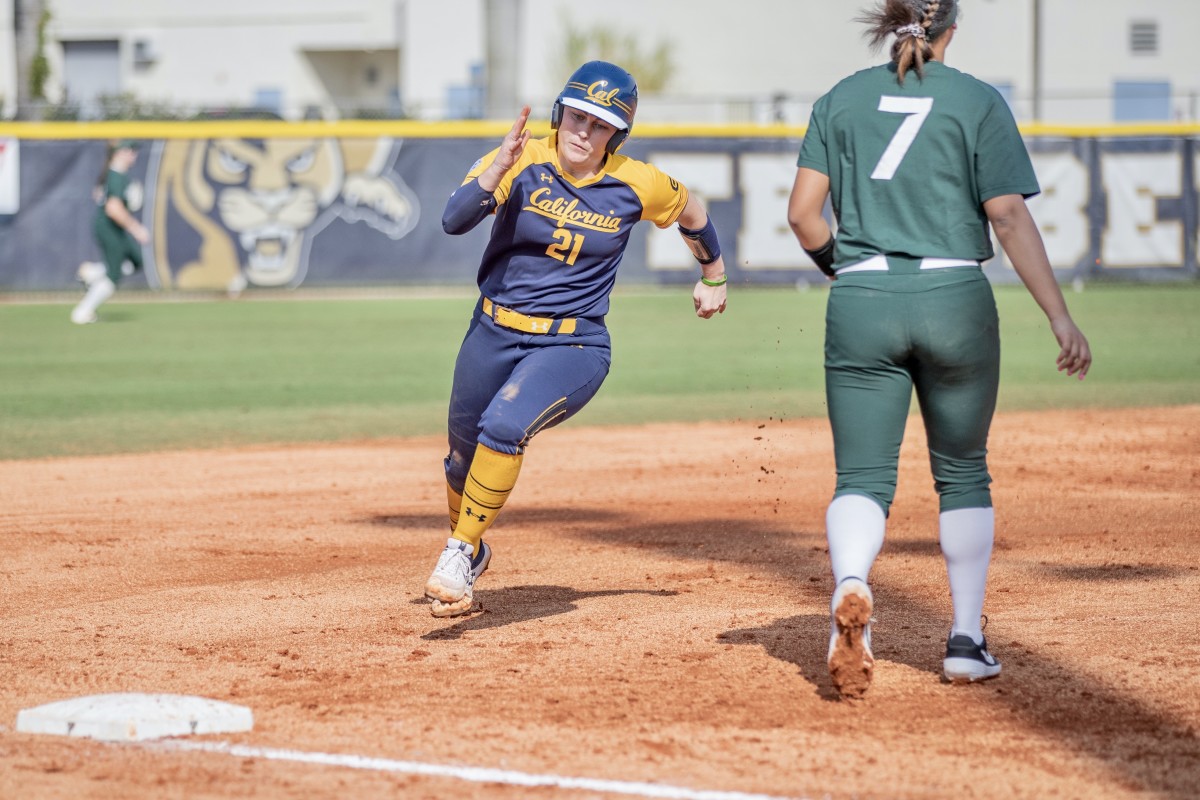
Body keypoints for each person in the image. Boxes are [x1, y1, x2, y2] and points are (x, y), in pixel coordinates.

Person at [786, 0, 1091, 699]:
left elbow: (803, 216)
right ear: (952, 27)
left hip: (862, 299)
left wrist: (852, 273)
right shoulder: (977, 100)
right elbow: (1008, 216)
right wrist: (1059, 316)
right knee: (962, 472)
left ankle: (855, 582)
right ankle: (962, 641)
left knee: (862, 476)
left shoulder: (840, 99)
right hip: (955, 296)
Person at [423, 61, 729, 618]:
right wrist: (497, 168)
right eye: (579, 117)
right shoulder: (522, 159)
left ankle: (457, 551)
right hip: (491, 330)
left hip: (573, 345)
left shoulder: (638, 182)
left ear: (618, 134)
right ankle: (474, 550)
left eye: (602, 124)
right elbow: (453, 220)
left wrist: (715, 274)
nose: (585, 132)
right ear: (561, 113)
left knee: (504, 427)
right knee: (459, 463)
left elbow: (693, 212)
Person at [72, 139, 149, 324]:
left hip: (113, 228)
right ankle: (82, 312)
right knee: (113, 275)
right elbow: (113, 209)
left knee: (136, 261)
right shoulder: (115, 175)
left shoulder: (117, 174)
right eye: (131, 150)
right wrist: (136, 228)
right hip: (109, 228)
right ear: (120, 152)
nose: (134, 154)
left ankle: (92, 272)